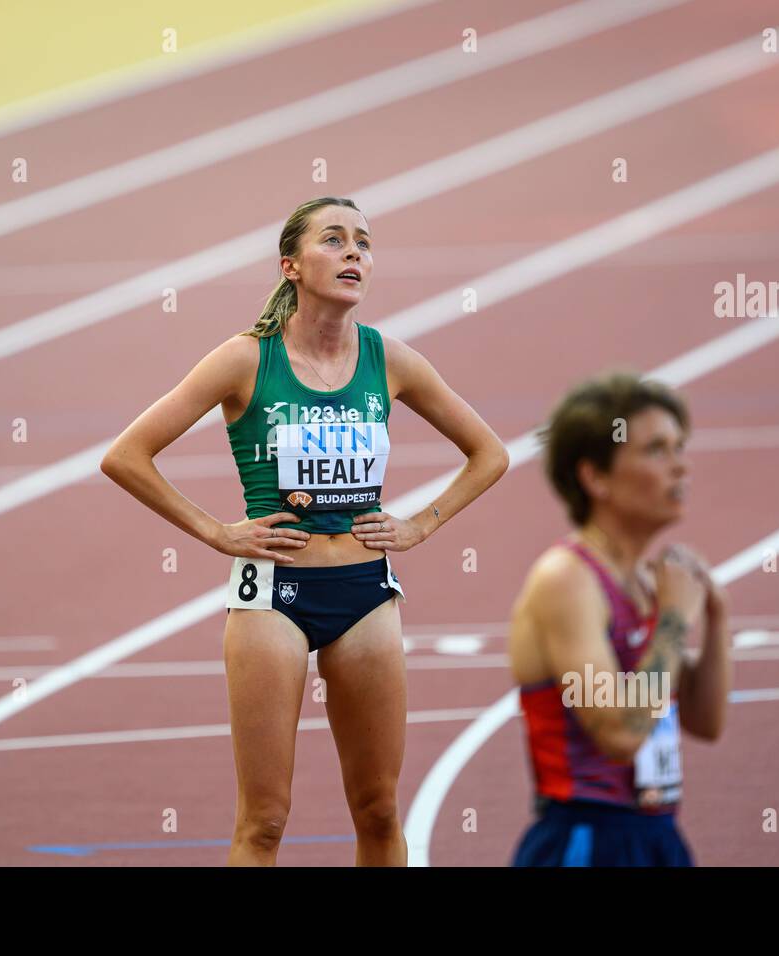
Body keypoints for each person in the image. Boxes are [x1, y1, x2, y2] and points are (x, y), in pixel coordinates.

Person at [102, 196, 509, 866]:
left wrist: (421, 526)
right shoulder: (244, 360)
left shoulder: (390, 358)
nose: (354, 253)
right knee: (264, 821)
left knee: (378, 810)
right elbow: (125, 455)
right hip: (271, 599)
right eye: (335, 240)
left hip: (366, 593)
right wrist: (216, 532)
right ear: (291, 264)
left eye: (364, 243)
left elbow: (489, 453)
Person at [507, 372, 731, 866]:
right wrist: (673, 619)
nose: (680, 466)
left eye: (680, 446)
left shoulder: (646, 583)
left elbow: (705, 720)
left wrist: (715, 619)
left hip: (655, 833)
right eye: (657, 450)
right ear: (595, 477)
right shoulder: (567, 580)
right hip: (585, 839)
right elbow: (620, 735)